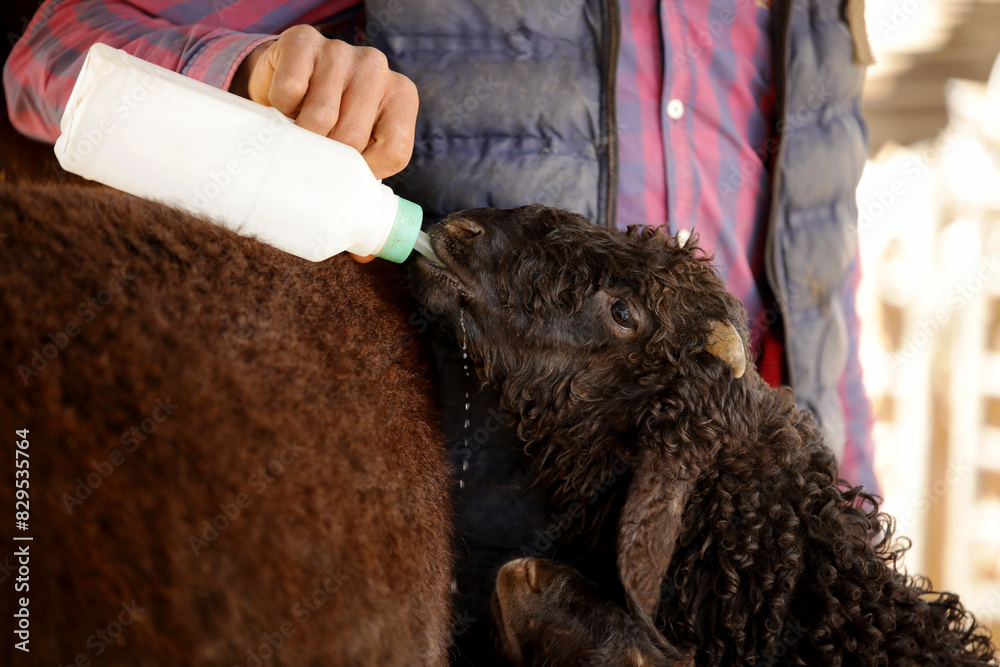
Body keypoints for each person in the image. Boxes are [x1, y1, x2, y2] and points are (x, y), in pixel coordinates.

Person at [4, 1, 878, 663]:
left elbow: (822, 326)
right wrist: (260, 76)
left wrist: (853, 578)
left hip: (724, 614)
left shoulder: (820, 16)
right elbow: (49, 53)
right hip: (423, 583)